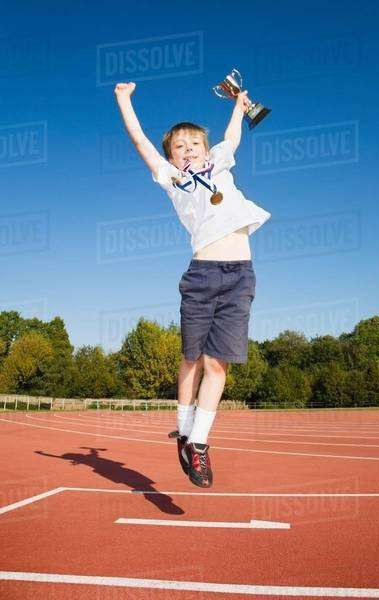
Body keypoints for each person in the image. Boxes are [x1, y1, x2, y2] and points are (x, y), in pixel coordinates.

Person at [114, 81, 271, 488]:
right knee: (192, 359)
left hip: (241, 274)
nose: (188, 150)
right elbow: (140, 141)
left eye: (194, 144)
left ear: (206, 147)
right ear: (171, 157)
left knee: (218, 364)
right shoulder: (170, 178)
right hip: (202, 275)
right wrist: (123, 100)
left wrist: (238, 106)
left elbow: (233, 135)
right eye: (179, 147)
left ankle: (198, 444)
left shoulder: (220, 161)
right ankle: (183, 431)